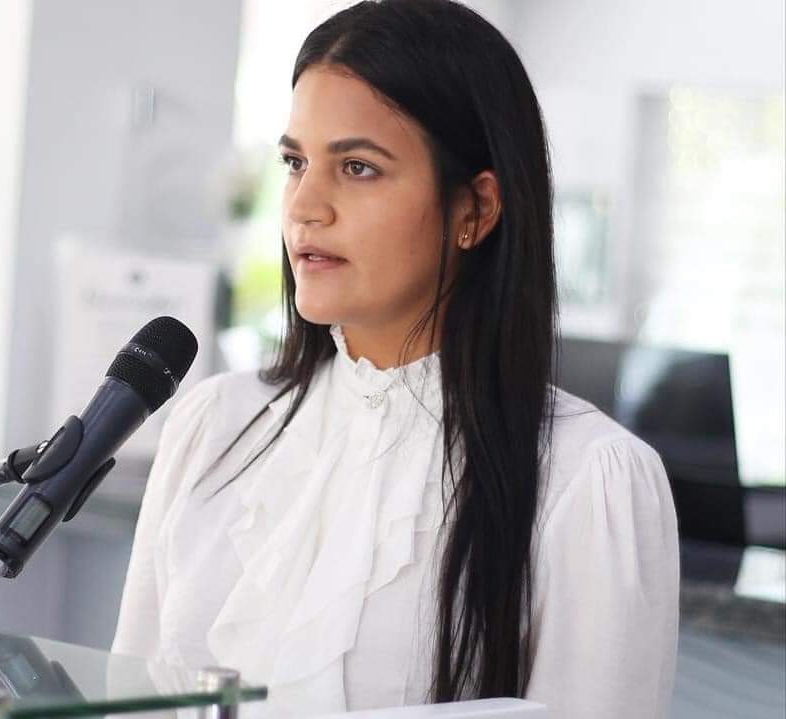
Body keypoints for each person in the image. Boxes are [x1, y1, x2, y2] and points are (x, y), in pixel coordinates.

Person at [113, 1, 679, 716]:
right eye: (295, 162)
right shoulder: (213, 427)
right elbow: (126, 702)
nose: (305, 206)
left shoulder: (589, 480)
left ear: (476, 208)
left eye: (358, 167)